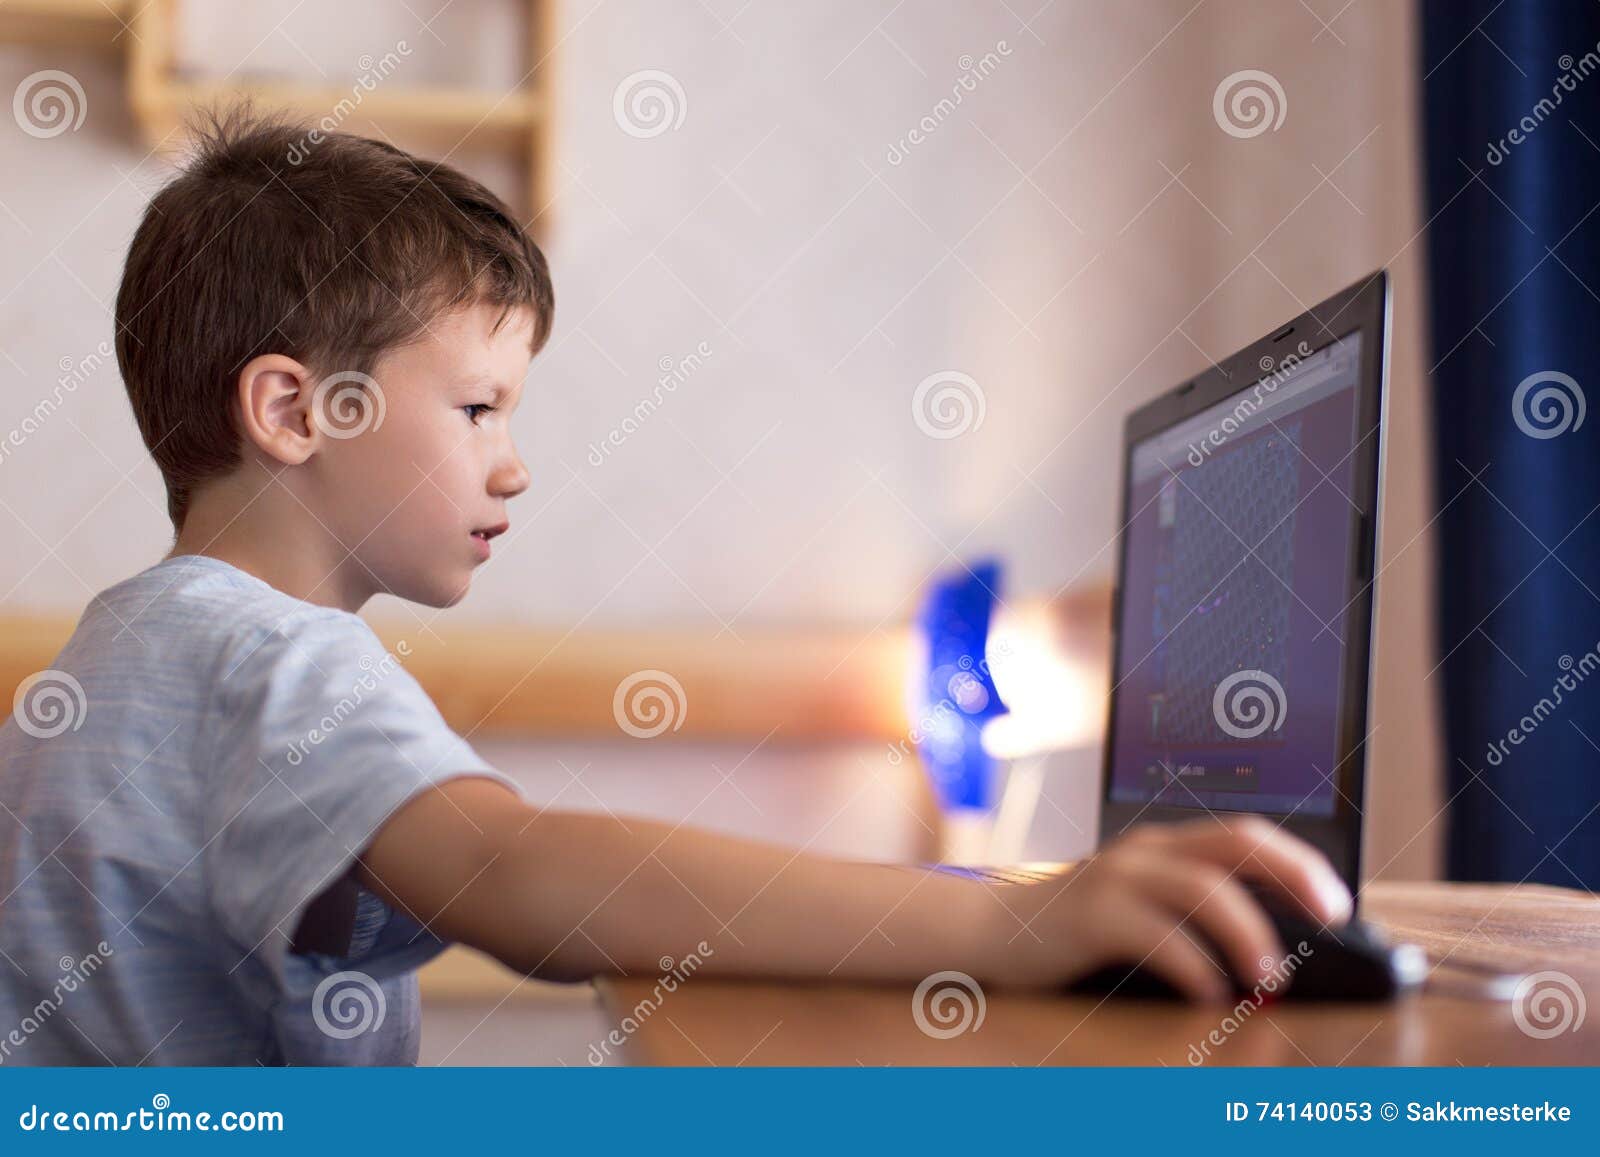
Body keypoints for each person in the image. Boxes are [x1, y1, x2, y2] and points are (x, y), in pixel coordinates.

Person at [0, 108, 1351, 1066]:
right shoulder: (268, 658)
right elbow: (514, 871)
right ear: (295, 409)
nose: (512, 467)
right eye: (477, 407)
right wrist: (1013, 915)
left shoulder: (128, 647)